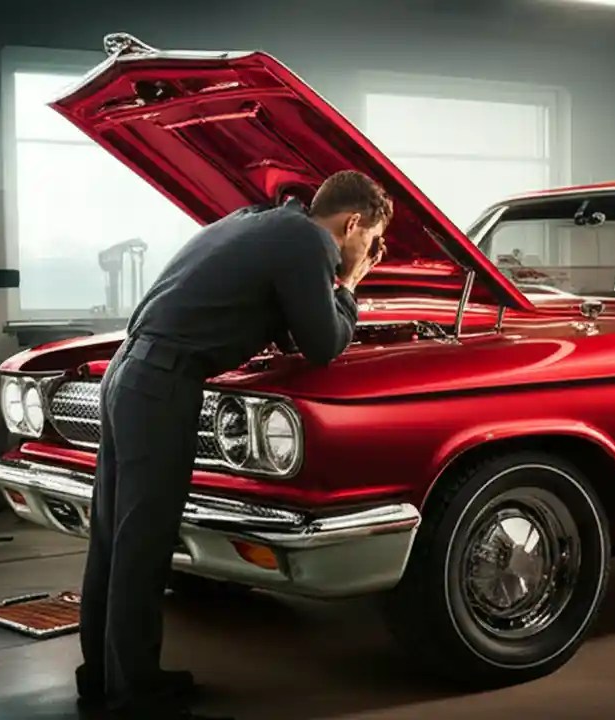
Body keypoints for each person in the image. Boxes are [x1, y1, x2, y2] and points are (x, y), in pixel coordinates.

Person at [75, 170, 393, 719]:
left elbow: (279, 318)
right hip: (161, 384)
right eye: (372, 241)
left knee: (113, 536)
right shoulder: (309, 242)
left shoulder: (254, 221)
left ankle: (102, 679)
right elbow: (321, 344)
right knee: (144, 544)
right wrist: (349, 286)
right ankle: (136, 692)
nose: (372, 251)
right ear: (354, 223)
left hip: (128, 372)